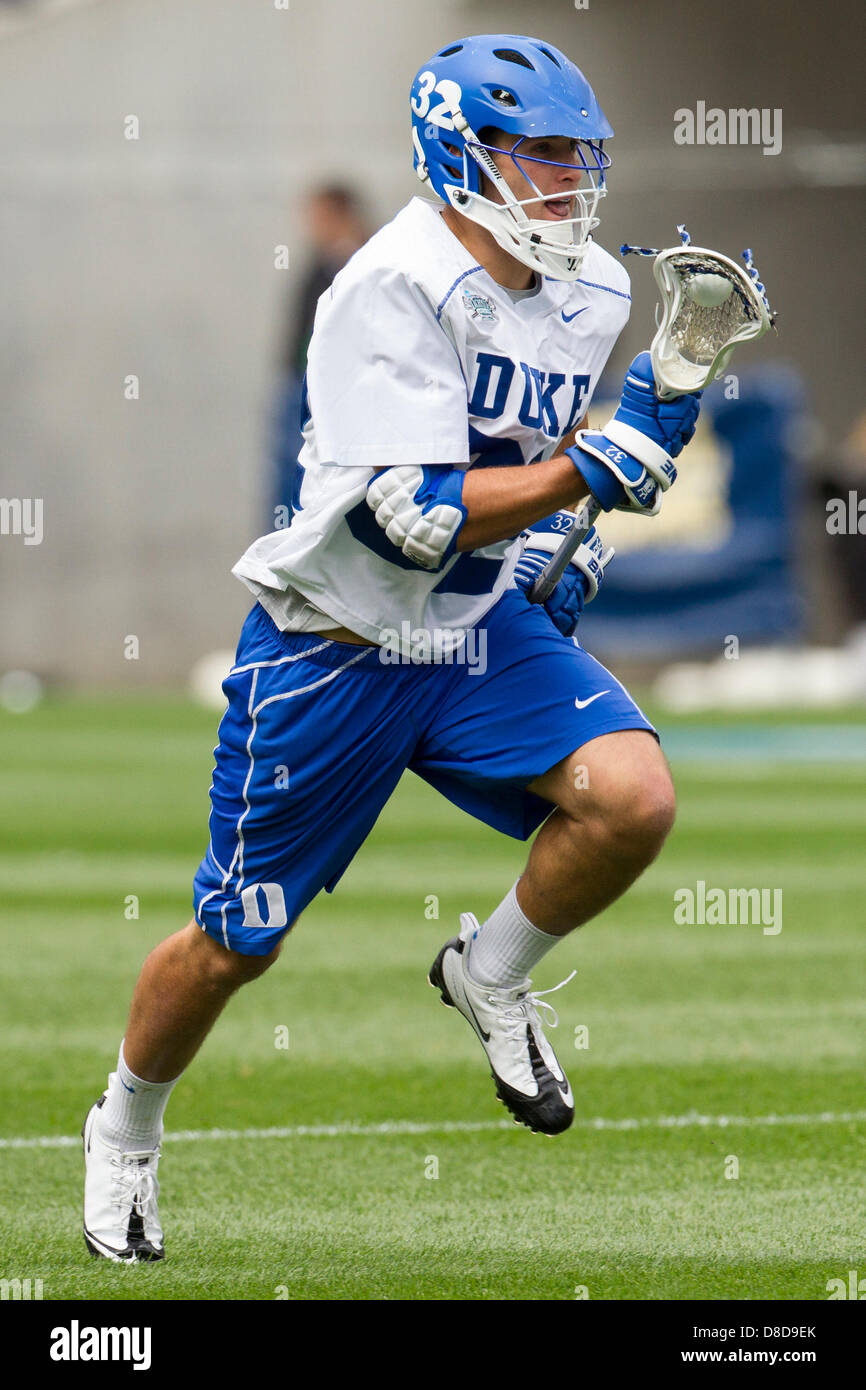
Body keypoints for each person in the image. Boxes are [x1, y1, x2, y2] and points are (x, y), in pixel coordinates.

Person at [83, 33, 700, 1262]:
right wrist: (583, 471)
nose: (566, 185)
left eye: (580, 158)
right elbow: (407, 514)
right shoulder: (385, 284)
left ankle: (490, 975)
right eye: (536, 157)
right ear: (457, 154)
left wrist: (560, 526)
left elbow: (522, 442)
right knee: (234, 942)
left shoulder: (593, 289)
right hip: (340, 642)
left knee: (629, 799)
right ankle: (126, 1124)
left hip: (472, 627)